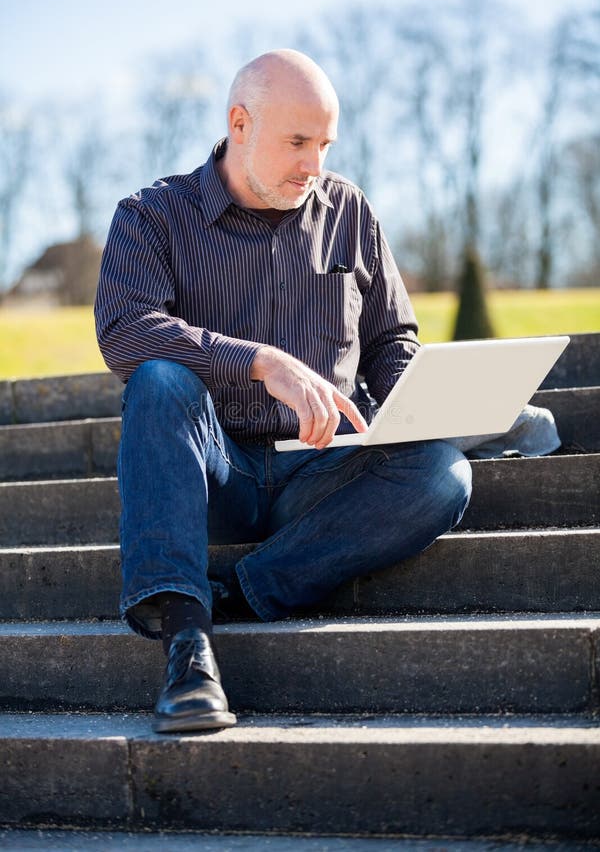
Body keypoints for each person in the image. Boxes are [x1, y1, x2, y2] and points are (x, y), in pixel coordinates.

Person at [95, 49, 473, 734]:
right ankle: (187, 646)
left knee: (443, 473)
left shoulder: (349, 211)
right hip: (216, 472)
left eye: (325, 144)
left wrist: (419, 405)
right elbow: (125, 332)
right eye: (298, 142)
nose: (314, 164)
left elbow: (393, 339)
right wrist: (261, 362)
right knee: (157, 381)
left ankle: (244, 589)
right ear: (240, 123)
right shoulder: (150, 217)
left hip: (325, 469)